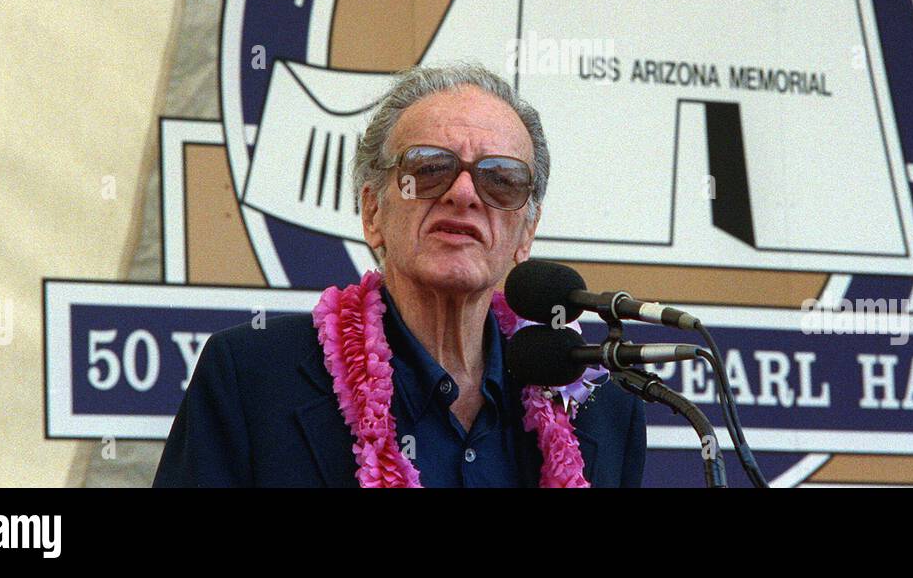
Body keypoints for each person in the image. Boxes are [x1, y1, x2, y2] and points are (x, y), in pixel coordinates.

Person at [154, 62, 646, 487]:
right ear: (373, 213)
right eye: (430, 168)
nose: (464, 194)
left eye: (500, 179)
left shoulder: (603, 412)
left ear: (526, 233)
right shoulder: (252, 378)